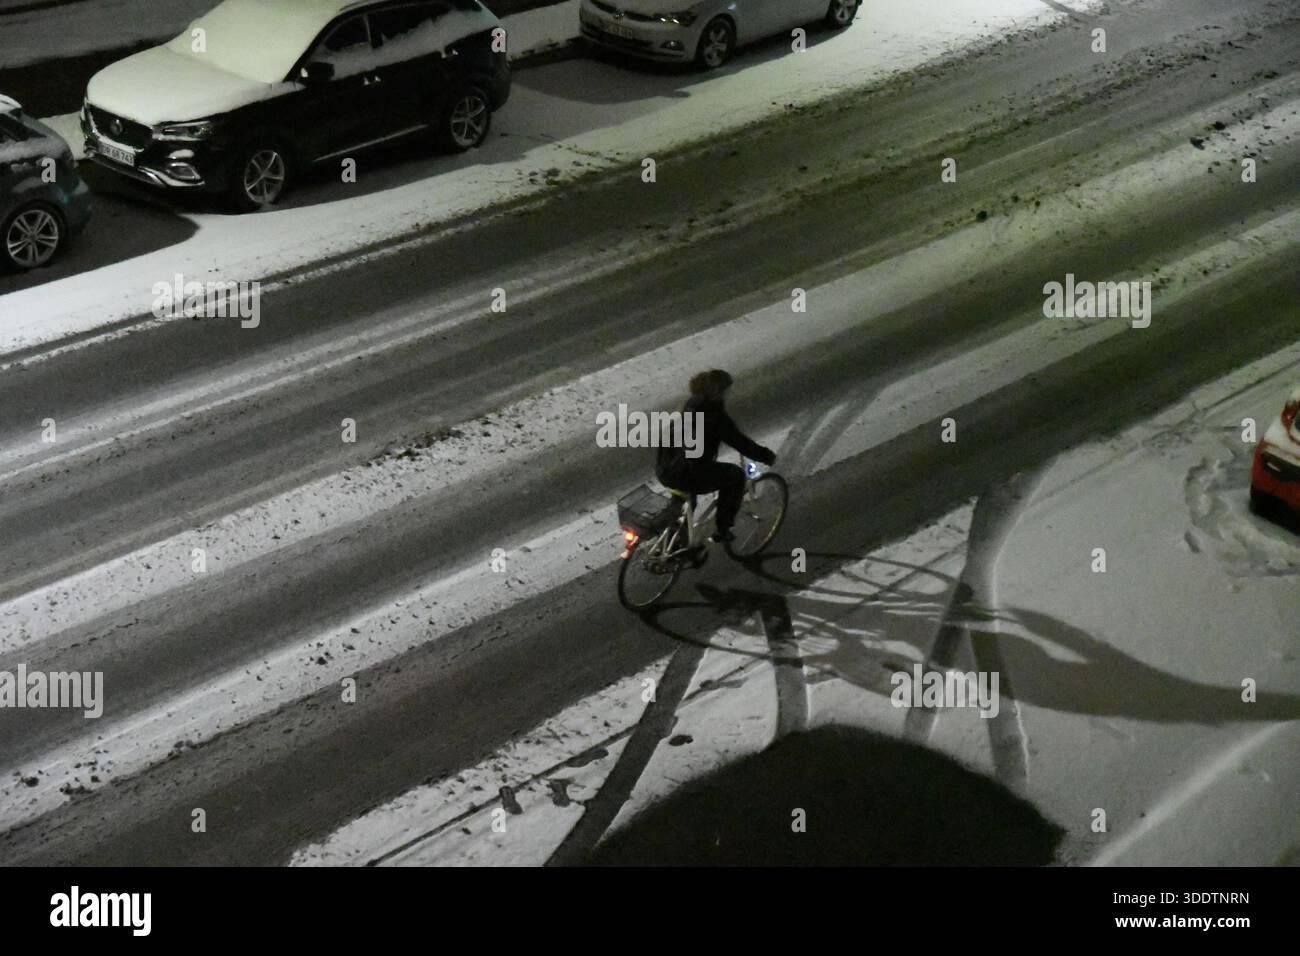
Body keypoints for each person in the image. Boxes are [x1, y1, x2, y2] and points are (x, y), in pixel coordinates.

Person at [656, 369, 776, 543]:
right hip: (686, 472)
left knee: (687, 501)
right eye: (726, 391)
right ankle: (723, 529)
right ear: (718, 391)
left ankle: (675, 544)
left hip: (666, 466)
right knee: (735, 477)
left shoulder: (692, 403)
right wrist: (766, 456)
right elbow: (739, 442)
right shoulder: (714, 415)